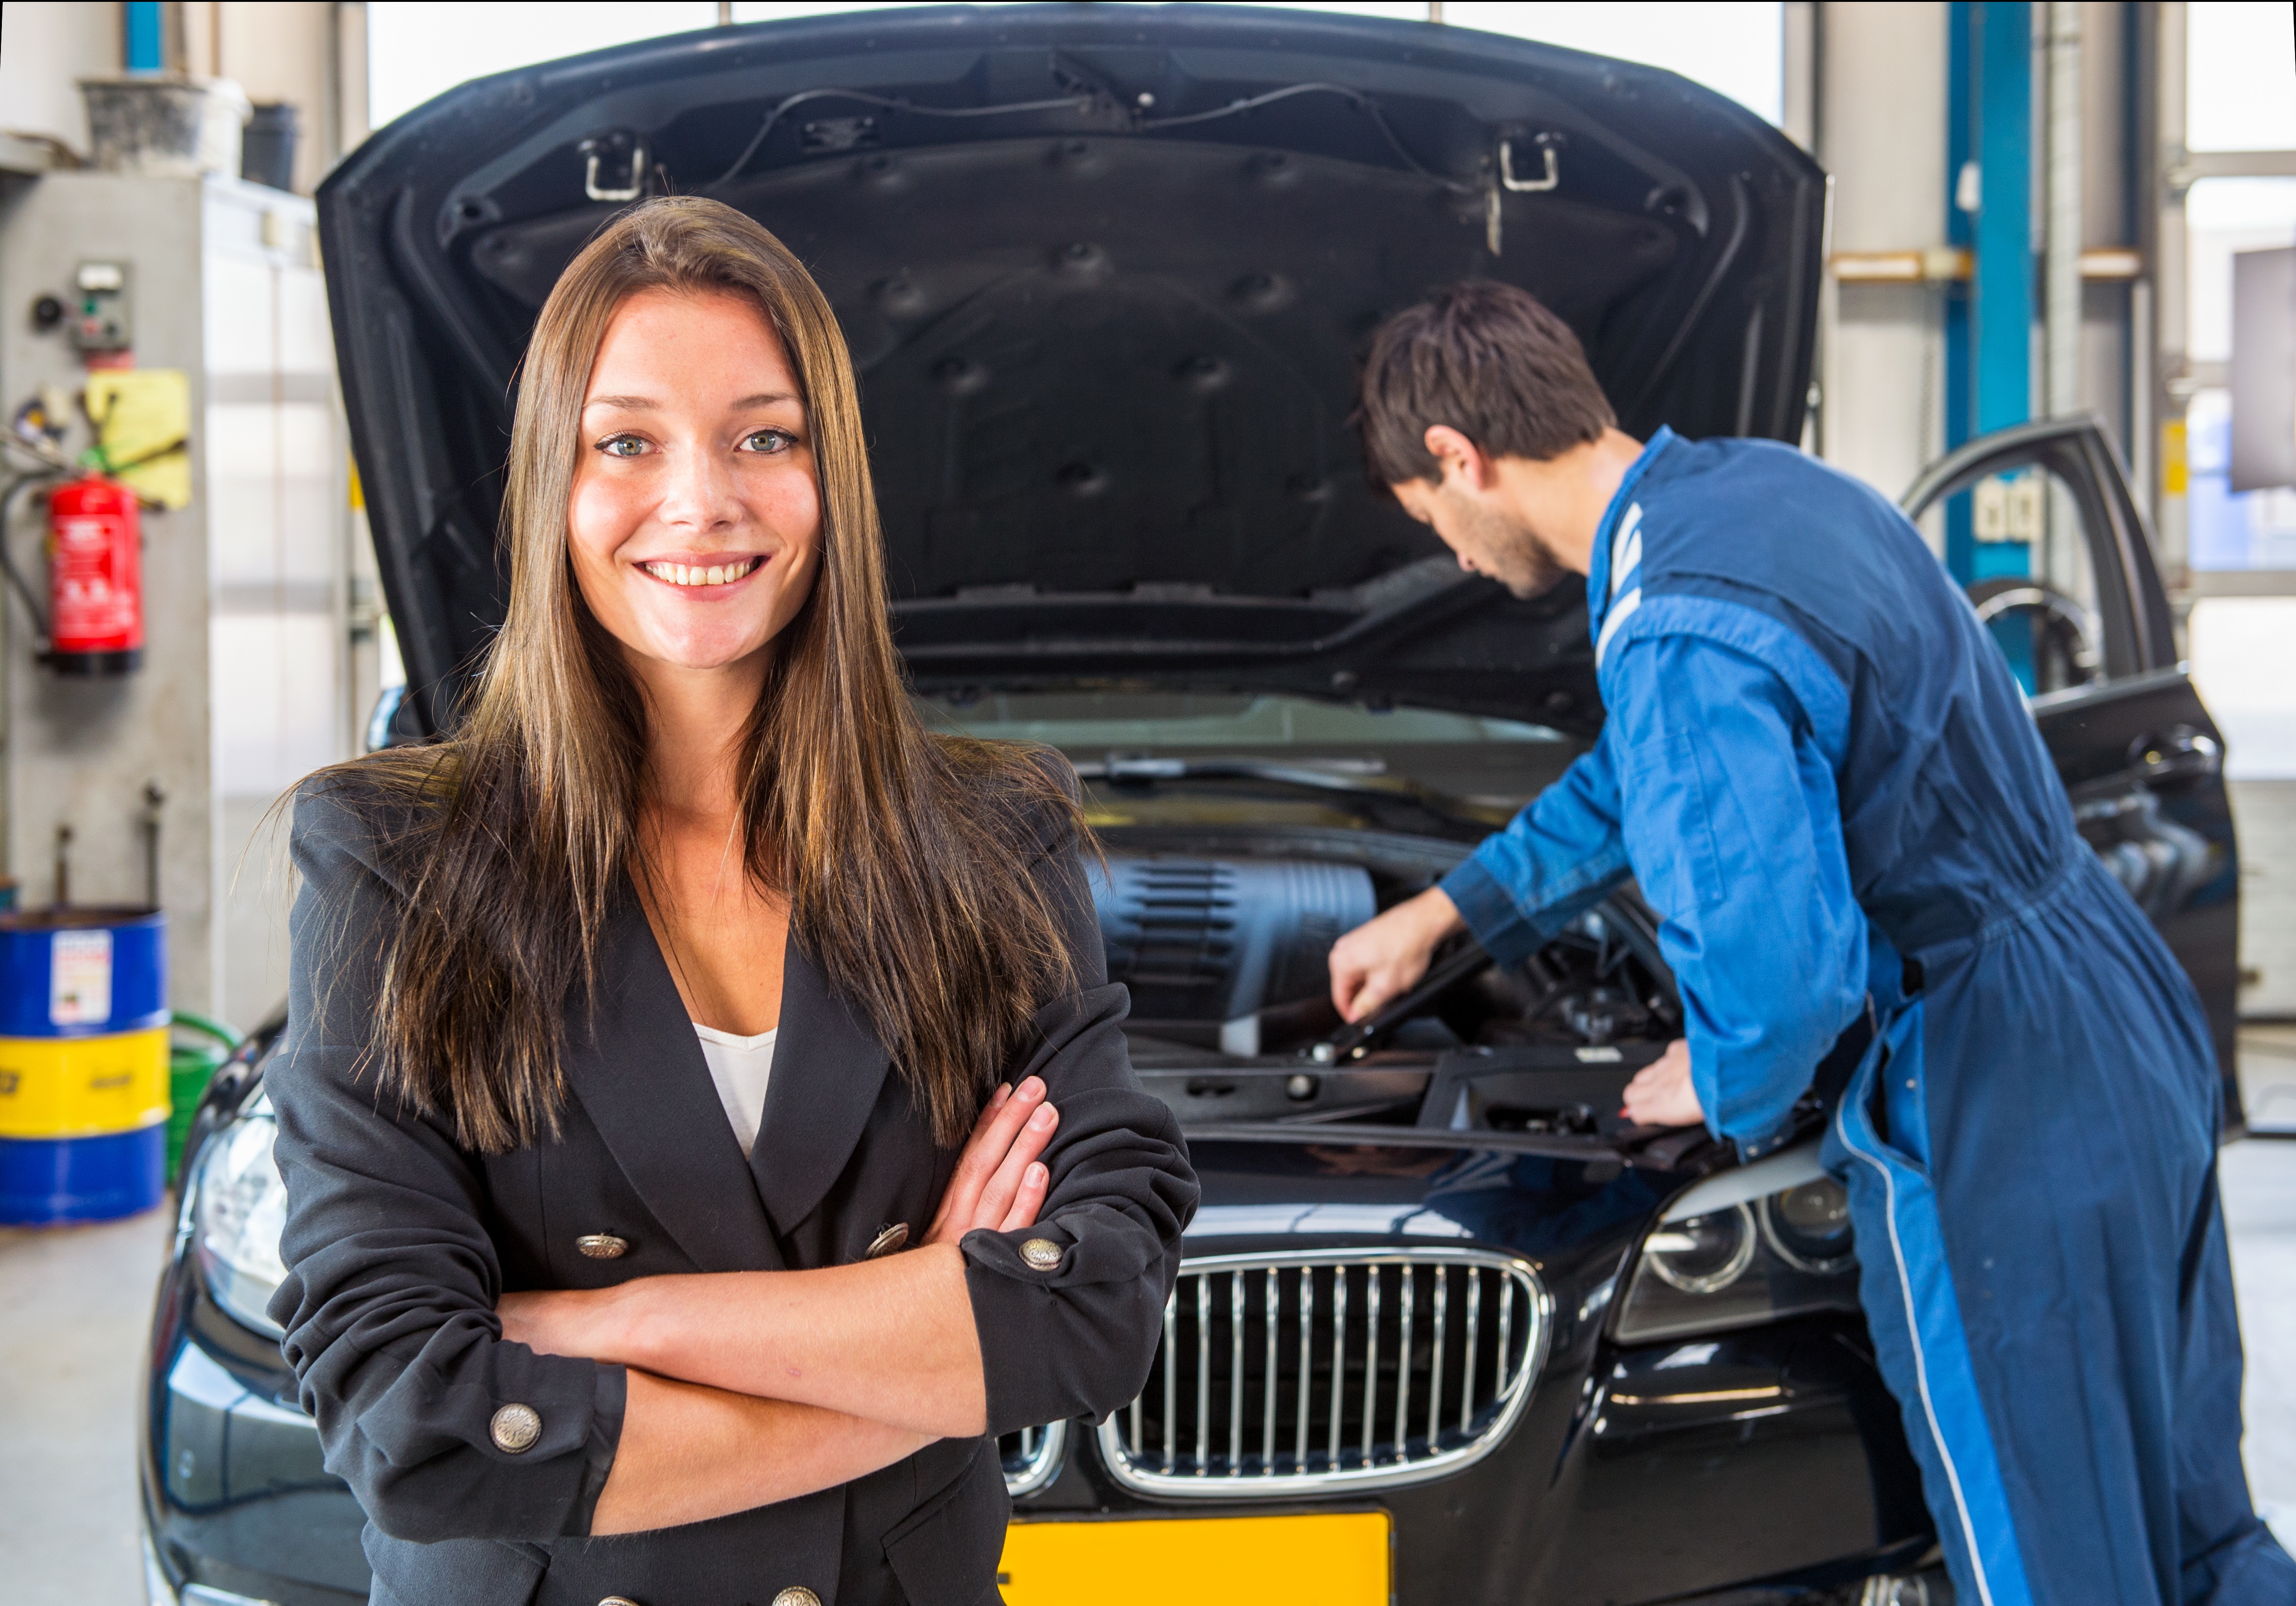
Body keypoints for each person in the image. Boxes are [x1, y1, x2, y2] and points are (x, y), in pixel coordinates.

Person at [266, 196, 1197, 1606]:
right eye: (626, 442)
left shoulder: (996, 842)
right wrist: (927, 1345)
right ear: (551, 490)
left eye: (766, 436)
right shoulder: (395, 864)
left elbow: (1098, 1307)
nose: (701, 500)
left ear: (834, 482)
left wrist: (619, 1323)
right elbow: (414, 1417)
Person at [1327, 280, 2293, 1606]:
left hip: (1994, 1077)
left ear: (1457, 457)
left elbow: (1783, 993)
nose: (1454, 559)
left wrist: (1715, 1075)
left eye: (1433, 521)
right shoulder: (1755, 497)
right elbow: (1640, 776)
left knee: (2046, 1556)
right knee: (2194, 1528)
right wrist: (1453, 913)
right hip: (2116, 999)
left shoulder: (1668, 624)